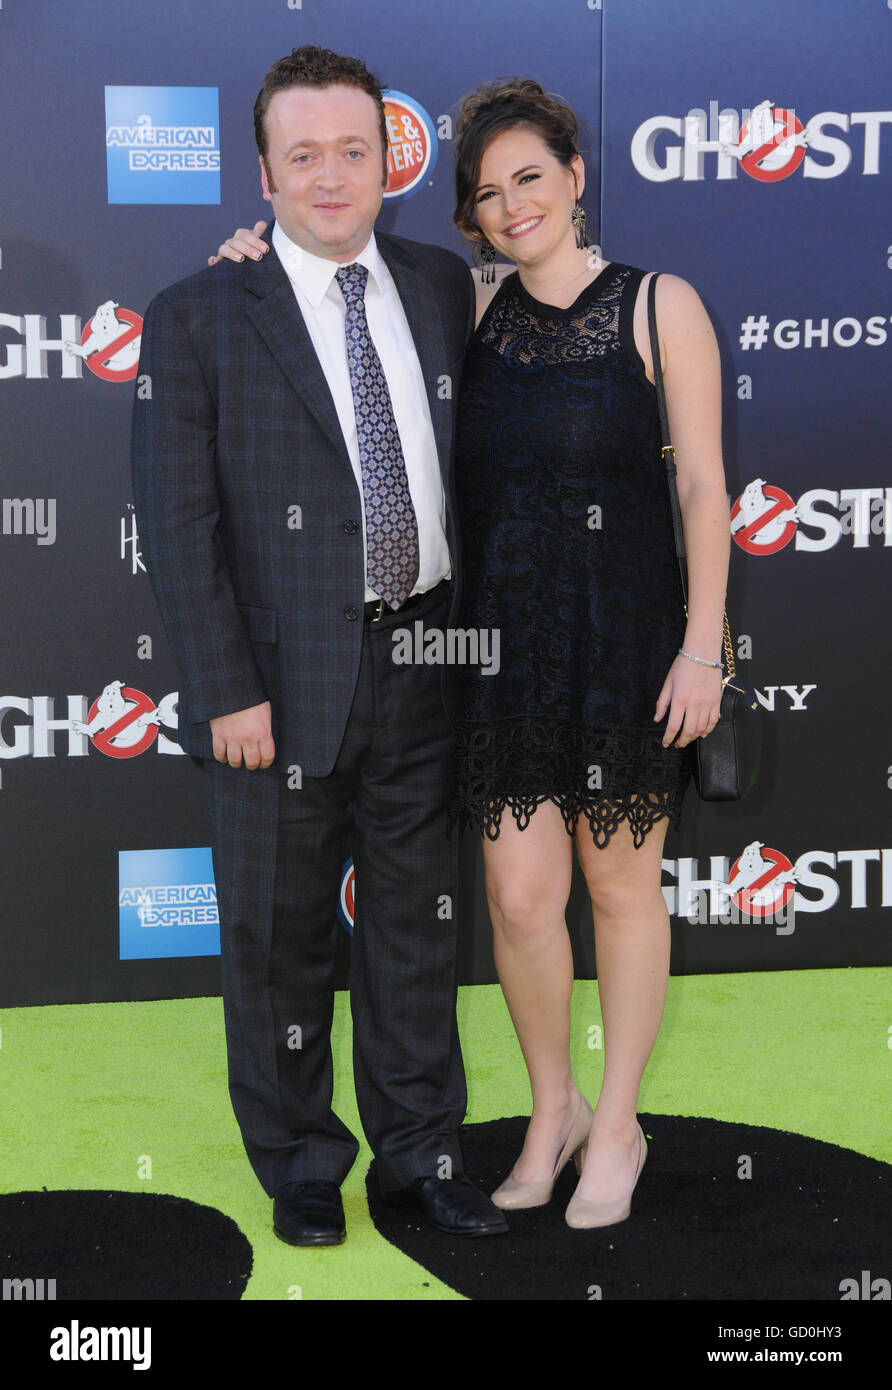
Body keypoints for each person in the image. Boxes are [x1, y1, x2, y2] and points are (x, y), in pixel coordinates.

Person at [213, 77, 730, 1231]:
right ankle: (552, 1109)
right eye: (489, 194)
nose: (512, 206)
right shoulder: (465, 307)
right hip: (500, 659)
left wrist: (705, 646)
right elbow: (314, 294)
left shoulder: (660, 305)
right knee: (516, 895)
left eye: (531, 178)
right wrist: (252, 248)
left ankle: (622, 1123)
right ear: (470, 217)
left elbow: (701, 482)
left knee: (619, 886)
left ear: (577, 175)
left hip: (628, 646)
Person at [131, 45, 509, 1247]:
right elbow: (177, 525)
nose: (332, 176)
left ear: (387, 159)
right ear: (263, 172)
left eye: (354, 150)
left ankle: (420, 1158)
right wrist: (227, 690)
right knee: (277, 939)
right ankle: (301, 1164)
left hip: (427, 663)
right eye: (305, 156)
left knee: (414, 932)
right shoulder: (198, 312)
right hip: (274, 692)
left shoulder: (443, 283)